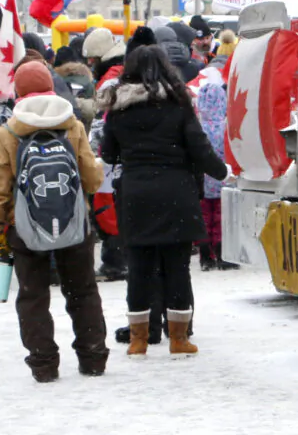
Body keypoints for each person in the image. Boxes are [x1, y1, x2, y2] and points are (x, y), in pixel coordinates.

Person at [101, 45, 228, 357]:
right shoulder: (179, 104)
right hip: (176, 196)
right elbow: (199, 147)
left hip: (136, 197)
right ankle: (179, 339)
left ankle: (138, 340)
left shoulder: (119, 108)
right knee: (177, 268)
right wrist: (220, 170)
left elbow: (108, 153)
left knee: (139, 269)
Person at [0, 61, 107, 383]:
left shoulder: (8, 132)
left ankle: (43, 364)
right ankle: (93, 357)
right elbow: (92, 178)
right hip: (74, 222)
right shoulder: (72, 125)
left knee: (33, 296)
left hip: (24, 228)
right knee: (82, 291)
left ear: (18, 94)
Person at [195, 83, 236, 271]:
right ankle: (223, 253)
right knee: (222, 217)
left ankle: (205, 255)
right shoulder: (228, 128)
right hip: (223, 180)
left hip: (202, 182)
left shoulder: (197, 128)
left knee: (203, 217)